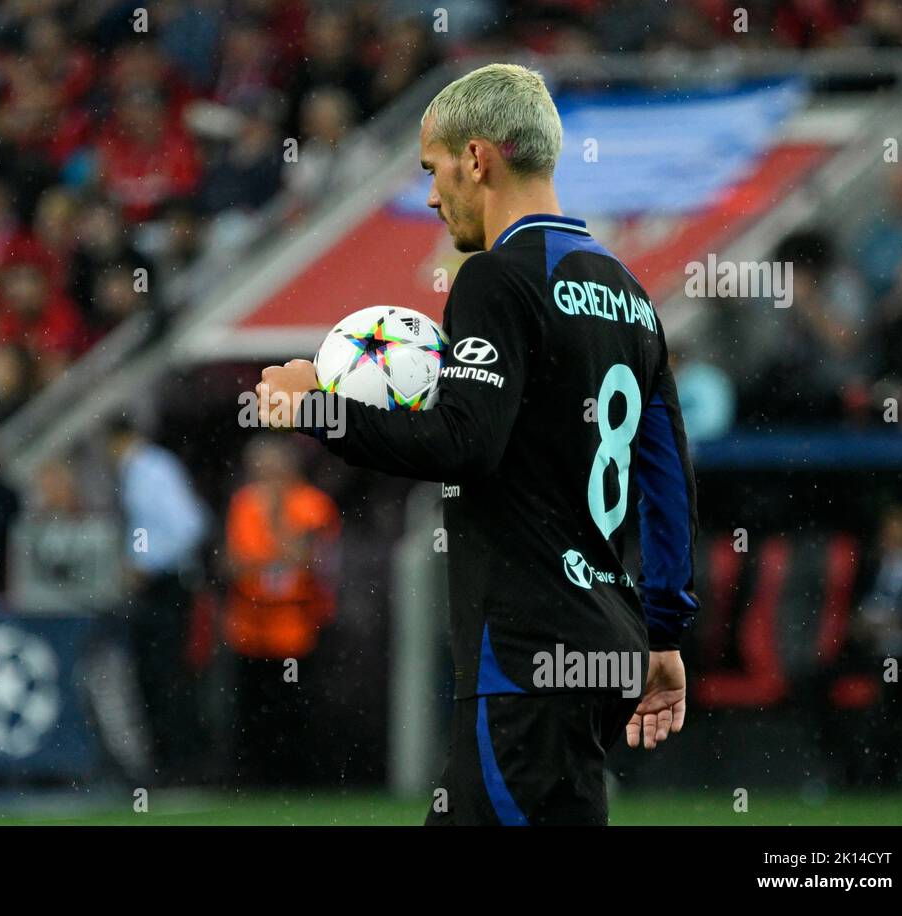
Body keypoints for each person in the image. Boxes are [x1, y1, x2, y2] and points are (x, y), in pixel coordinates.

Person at [254, 64, 698, 825]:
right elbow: (668, 483)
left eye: (432, 169)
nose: (431, 196)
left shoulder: (496, 280)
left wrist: (317, 409)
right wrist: (664, 633)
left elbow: (462, 442)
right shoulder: (629, 296)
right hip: (605, 647)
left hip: (527, 656)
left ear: (478, 159)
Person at [223, 436, 340, 785]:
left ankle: (296, 779)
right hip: (250, 623)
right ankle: (251, 780)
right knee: (251, 709)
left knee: (295, 707)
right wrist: (265, 560)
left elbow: (308, 560)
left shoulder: (313, 504)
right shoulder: (243, 503)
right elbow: (232, 563)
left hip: (296, 627)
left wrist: (274, 519)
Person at [106, 416, 209, 781]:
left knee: (165, 674)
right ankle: (170, 762)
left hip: (167, 586)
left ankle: (180, 764)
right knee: (155, 673)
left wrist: (146, 564)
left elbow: (189, 525)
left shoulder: (150, 469)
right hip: (161, 586)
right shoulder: (146, 468)